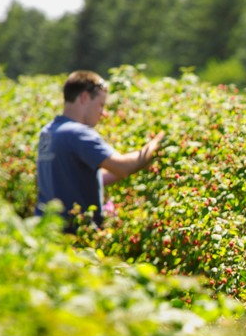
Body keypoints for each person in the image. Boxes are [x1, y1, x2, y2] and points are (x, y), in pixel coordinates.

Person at [35, 70, 165, 232]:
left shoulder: (49, 132)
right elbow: (123, 167)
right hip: (75, 236)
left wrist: (134, 165)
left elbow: (70, 179)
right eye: (101, 104)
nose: (103, 113)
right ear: (84, 97)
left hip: (48, 232)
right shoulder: (77, 133)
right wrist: (156, 144)